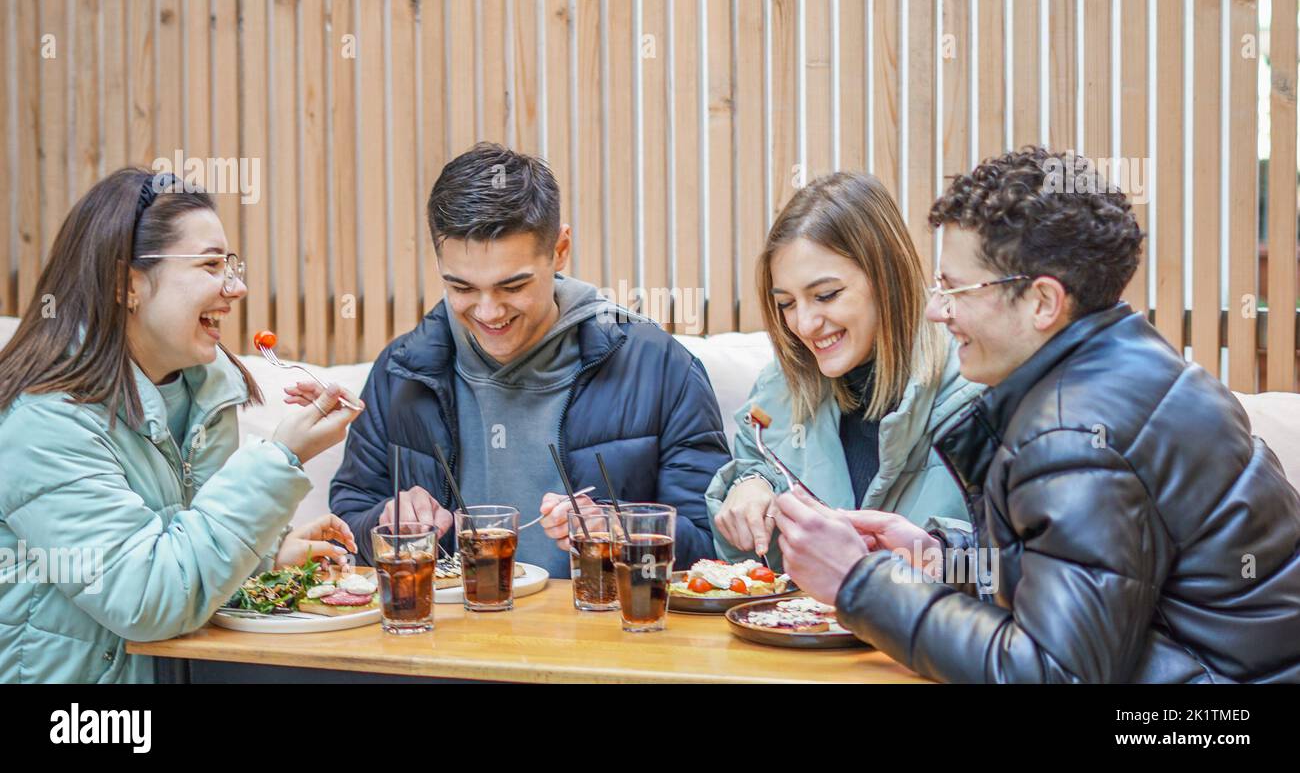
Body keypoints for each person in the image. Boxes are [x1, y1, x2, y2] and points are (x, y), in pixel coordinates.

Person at [774, 147, 1300, 683]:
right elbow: (1090, 581)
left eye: (956, 288)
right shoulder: (1132, 368)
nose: (936, 310)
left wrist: (859, 582)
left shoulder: (1073, 434)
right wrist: (943, 559)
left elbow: (1052, 673)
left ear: (1043, 302)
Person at [0, 168, 364, 683]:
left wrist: (264, 555)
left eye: (231, 265)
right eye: (211, 264)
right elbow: (147, 599)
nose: (236, 288)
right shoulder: (44, 422)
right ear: (129, 283)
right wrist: (280, 458)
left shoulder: (203, 394)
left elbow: (184, 544)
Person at [330, 143, 729, 576]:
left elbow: (713, 548)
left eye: (512, 286)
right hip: (443, 638)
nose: (488, 312)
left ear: (560, 249)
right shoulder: (401, 371)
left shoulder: (661, 368)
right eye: (462, 288)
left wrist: (621, 532)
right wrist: (387, 521)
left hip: (604, 637)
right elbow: (347, 525)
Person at [704, 172, 979, 567]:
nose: (804, 324)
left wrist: (935, 559)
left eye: (826, 295)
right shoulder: (774, 398)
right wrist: (747, 490)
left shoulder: (978, 387)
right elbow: (751, 582)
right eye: (786, 304)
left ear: (887, 277)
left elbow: (1023, 570)